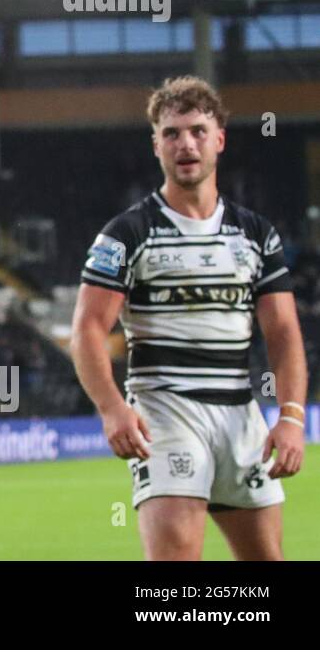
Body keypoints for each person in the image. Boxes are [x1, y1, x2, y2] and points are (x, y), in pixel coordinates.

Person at [72, 76, 307, 560]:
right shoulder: (127, 235)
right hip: (165, 412)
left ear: (219, 139)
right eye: (173, 133)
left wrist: (291, 417)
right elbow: (88, 329)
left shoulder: (256, 235)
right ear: (156, 144)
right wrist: (112, 407)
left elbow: (283, 332)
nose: (186, 144)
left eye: (198, 131)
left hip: (240, 415)